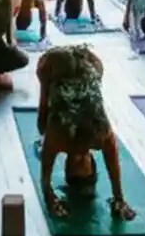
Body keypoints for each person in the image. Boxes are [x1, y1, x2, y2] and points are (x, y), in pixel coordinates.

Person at [36, 45, 135, 219]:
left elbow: (45, 177)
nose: (78, 160)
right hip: (88, 59)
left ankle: (67, 68)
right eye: (83, 164)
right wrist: (119, 198)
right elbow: (112, 159)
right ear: (91, 158)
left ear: (66, 166)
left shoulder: (58, 140)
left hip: (53, 63)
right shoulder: (99, 137)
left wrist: (49, 198)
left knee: (43, 125)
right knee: (92, 74)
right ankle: (78, 62)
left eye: (74, 167)